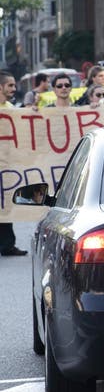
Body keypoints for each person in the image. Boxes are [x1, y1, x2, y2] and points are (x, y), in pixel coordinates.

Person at [0, 71, 27, 256]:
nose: (14, 89)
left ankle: (7, 244)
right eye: (10, 85)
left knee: (5, 205)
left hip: (7, 164)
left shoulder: (11, 108)